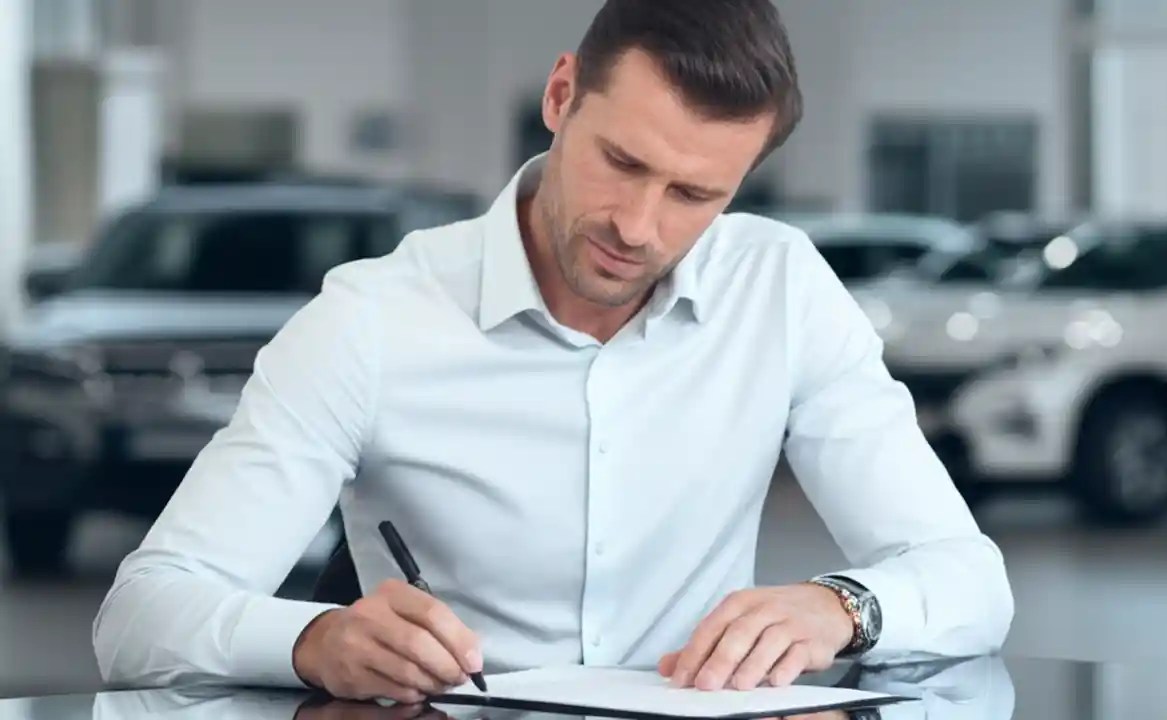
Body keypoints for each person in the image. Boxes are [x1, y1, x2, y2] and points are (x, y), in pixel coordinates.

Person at [93, 0, 1013, 704]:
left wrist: (844, 608)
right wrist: (311, 641)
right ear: (561, 95)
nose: (638, 226)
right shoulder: (370, 320)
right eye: (622, 163)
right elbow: (143, 613)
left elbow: (971, 580)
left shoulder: (781, 290)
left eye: (694, 195)